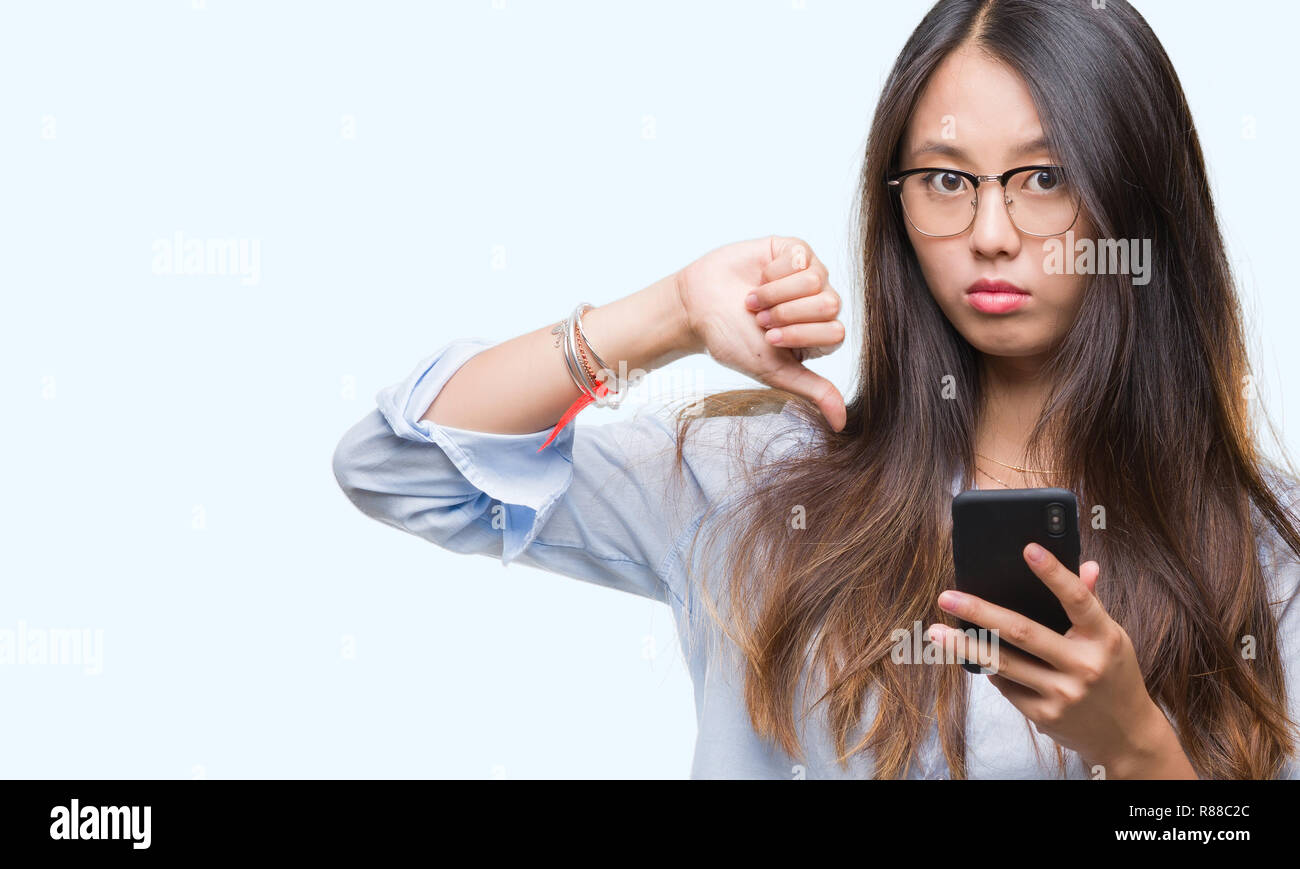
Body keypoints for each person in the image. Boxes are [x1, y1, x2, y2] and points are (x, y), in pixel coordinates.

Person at [332, 0, 1300, 779]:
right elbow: (401, 463)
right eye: (946, 181)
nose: (992, 230)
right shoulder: (754, 486)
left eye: (1043, 176)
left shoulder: (1262, 551)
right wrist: (666, 313)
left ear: (1133, 196)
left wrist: (1137, 750)